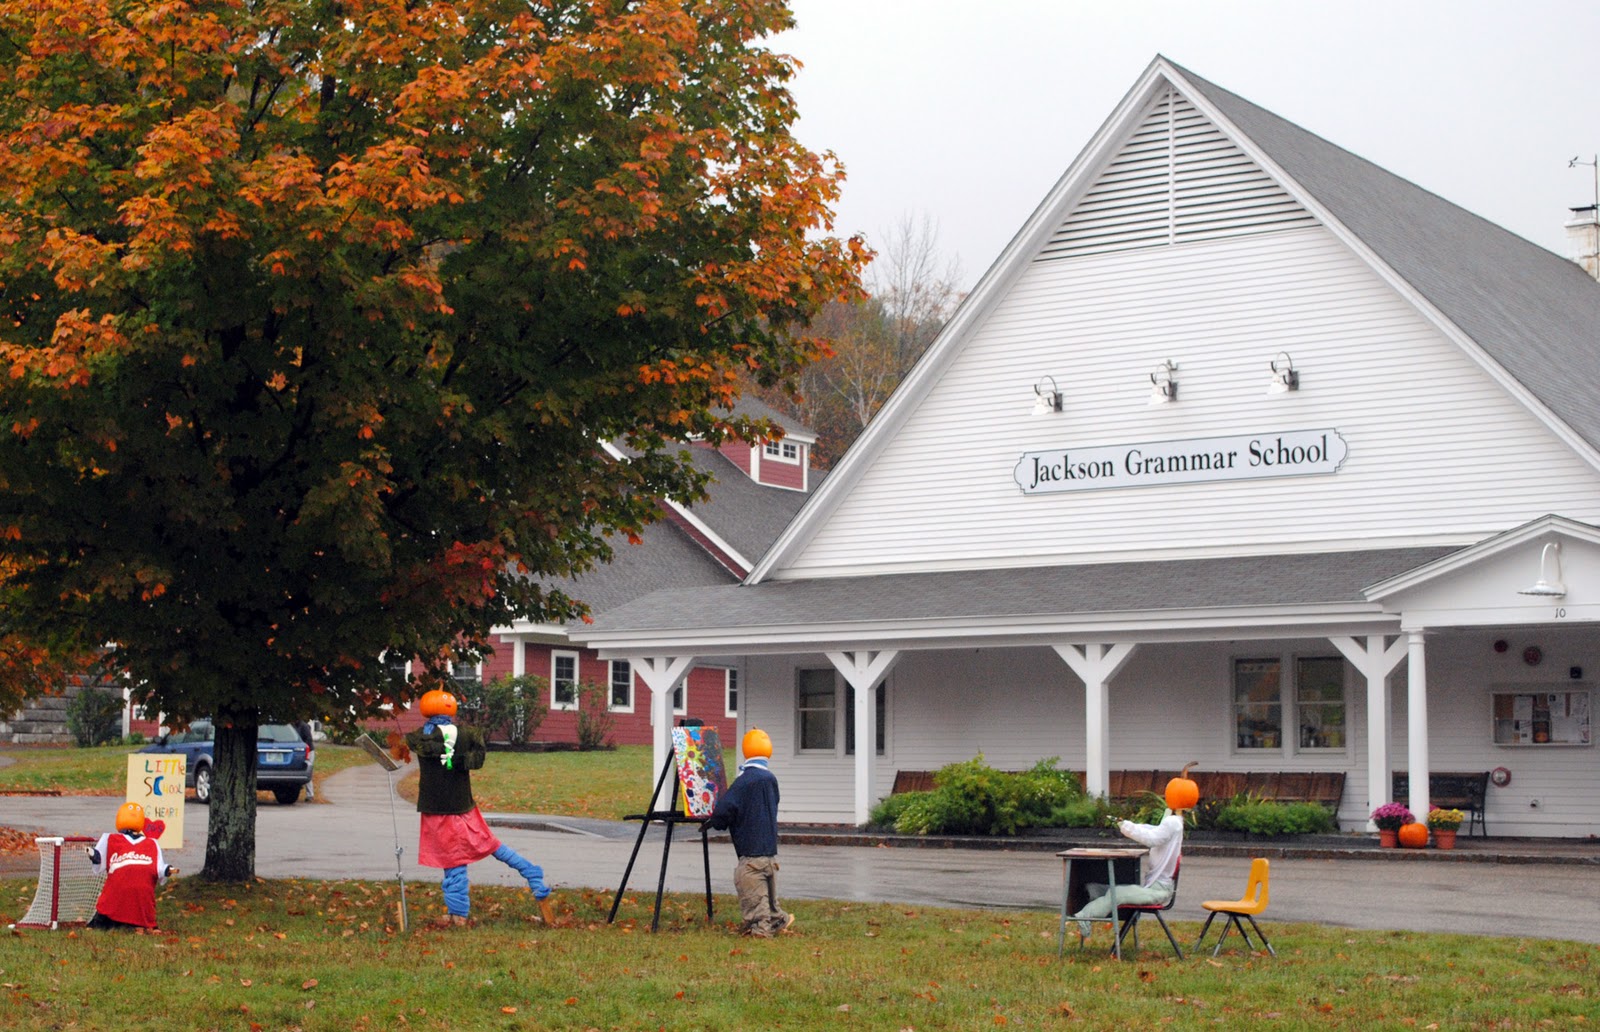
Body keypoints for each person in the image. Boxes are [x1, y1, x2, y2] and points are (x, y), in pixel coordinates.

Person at [404, 688, 553, 926]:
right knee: (486, 847)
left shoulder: (424, 736)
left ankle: (459, 913)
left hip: (444, 809)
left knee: (453, 858)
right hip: (462, 806)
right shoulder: (465, 734)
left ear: (426, 709)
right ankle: (530, 872)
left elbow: (417, 743)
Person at [1073, 767, 1195, 939]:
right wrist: (1129, 824)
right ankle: (1093, 891)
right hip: (1155, 887)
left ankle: (1085, 916)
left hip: (1159, 892)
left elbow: (1152, 838)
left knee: (1118, 894)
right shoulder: (1173, 821)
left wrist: (1128, 828)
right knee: (1116, 890)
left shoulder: (1173, 823)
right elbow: (1152, 830)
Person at [706, 727, 793, 938]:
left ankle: (761, 928)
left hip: (750, 851)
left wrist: (715, 821)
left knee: (750, 888)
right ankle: (777, 917)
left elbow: (724, 809)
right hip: (769, 850)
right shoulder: (770, 780)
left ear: (746, 751)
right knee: (768, 889)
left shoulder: (744, 781)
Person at [87, 802, 176, 931]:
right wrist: (94, 855)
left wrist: (167, 869)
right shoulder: (110, 839)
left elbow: (159, 868)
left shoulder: (151, 843)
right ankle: (112, 922)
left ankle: (139, 925)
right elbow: (99, 859)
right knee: (109, 903)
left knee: (128, 899)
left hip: (140, 895)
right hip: (117, 893)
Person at [293, 720, 316, 800]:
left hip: (308, 751)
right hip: (298, 750)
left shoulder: (303, 726)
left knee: (306, 771)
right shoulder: (292, 726)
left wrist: (302, 747)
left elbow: (309, 739)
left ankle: (310, 794)